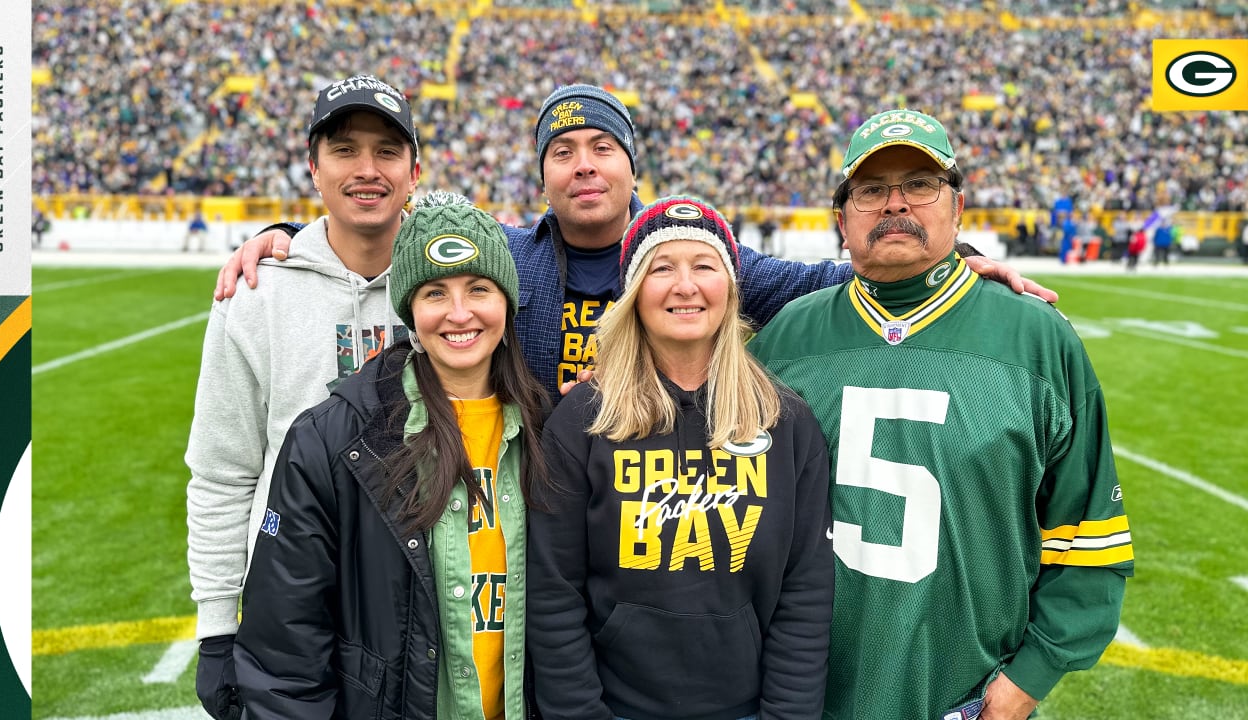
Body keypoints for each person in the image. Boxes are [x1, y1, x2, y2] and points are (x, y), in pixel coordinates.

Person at [215, 83, 1058, 403]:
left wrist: (956, 262)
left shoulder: (686, 257)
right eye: (562, 152)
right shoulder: (508, 259)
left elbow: (833, 278)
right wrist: (288, 235)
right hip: (542, 512)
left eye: (602, 148)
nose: (584, 167)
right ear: (542, 176)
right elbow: (404, 243)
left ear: (630, 165)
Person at [748, 109, 1133, 720]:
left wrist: (1023, 684)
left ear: (957, 207)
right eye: (871, 190)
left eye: (920, 185)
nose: (895, 205)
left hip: (967, 697)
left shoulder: (1037, 338)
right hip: (798, 695)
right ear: (841, 220)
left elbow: (1090, 536)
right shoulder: (785, 338)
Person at [234, 191, 550, 718]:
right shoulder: (333, 441)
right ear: (409, 309)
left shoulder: (549, 430)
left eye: (478, 288)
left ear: (507, 301)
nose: (458, 313)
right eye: (433, 293)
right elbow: (285, 652)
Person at [528, 196, 833, 719]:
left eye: (704, 266)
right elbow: (553, 594)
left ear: (731, 289)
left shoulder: (786, 422)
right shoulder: (582, 421)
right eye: (662, 267)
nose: (685, 286)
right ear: (633, 292)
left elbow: (804, 596)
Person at [185, 73, 421, 720]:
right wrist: (215, 630)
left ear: (415, 170)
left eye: (386, 151)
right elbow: (222, 473)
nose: (367, 169)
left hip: (424, 603)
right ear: (312, 167)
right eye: (344, 150)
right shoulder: (258, 294)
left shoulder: (454, 287)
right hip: (290, 600)